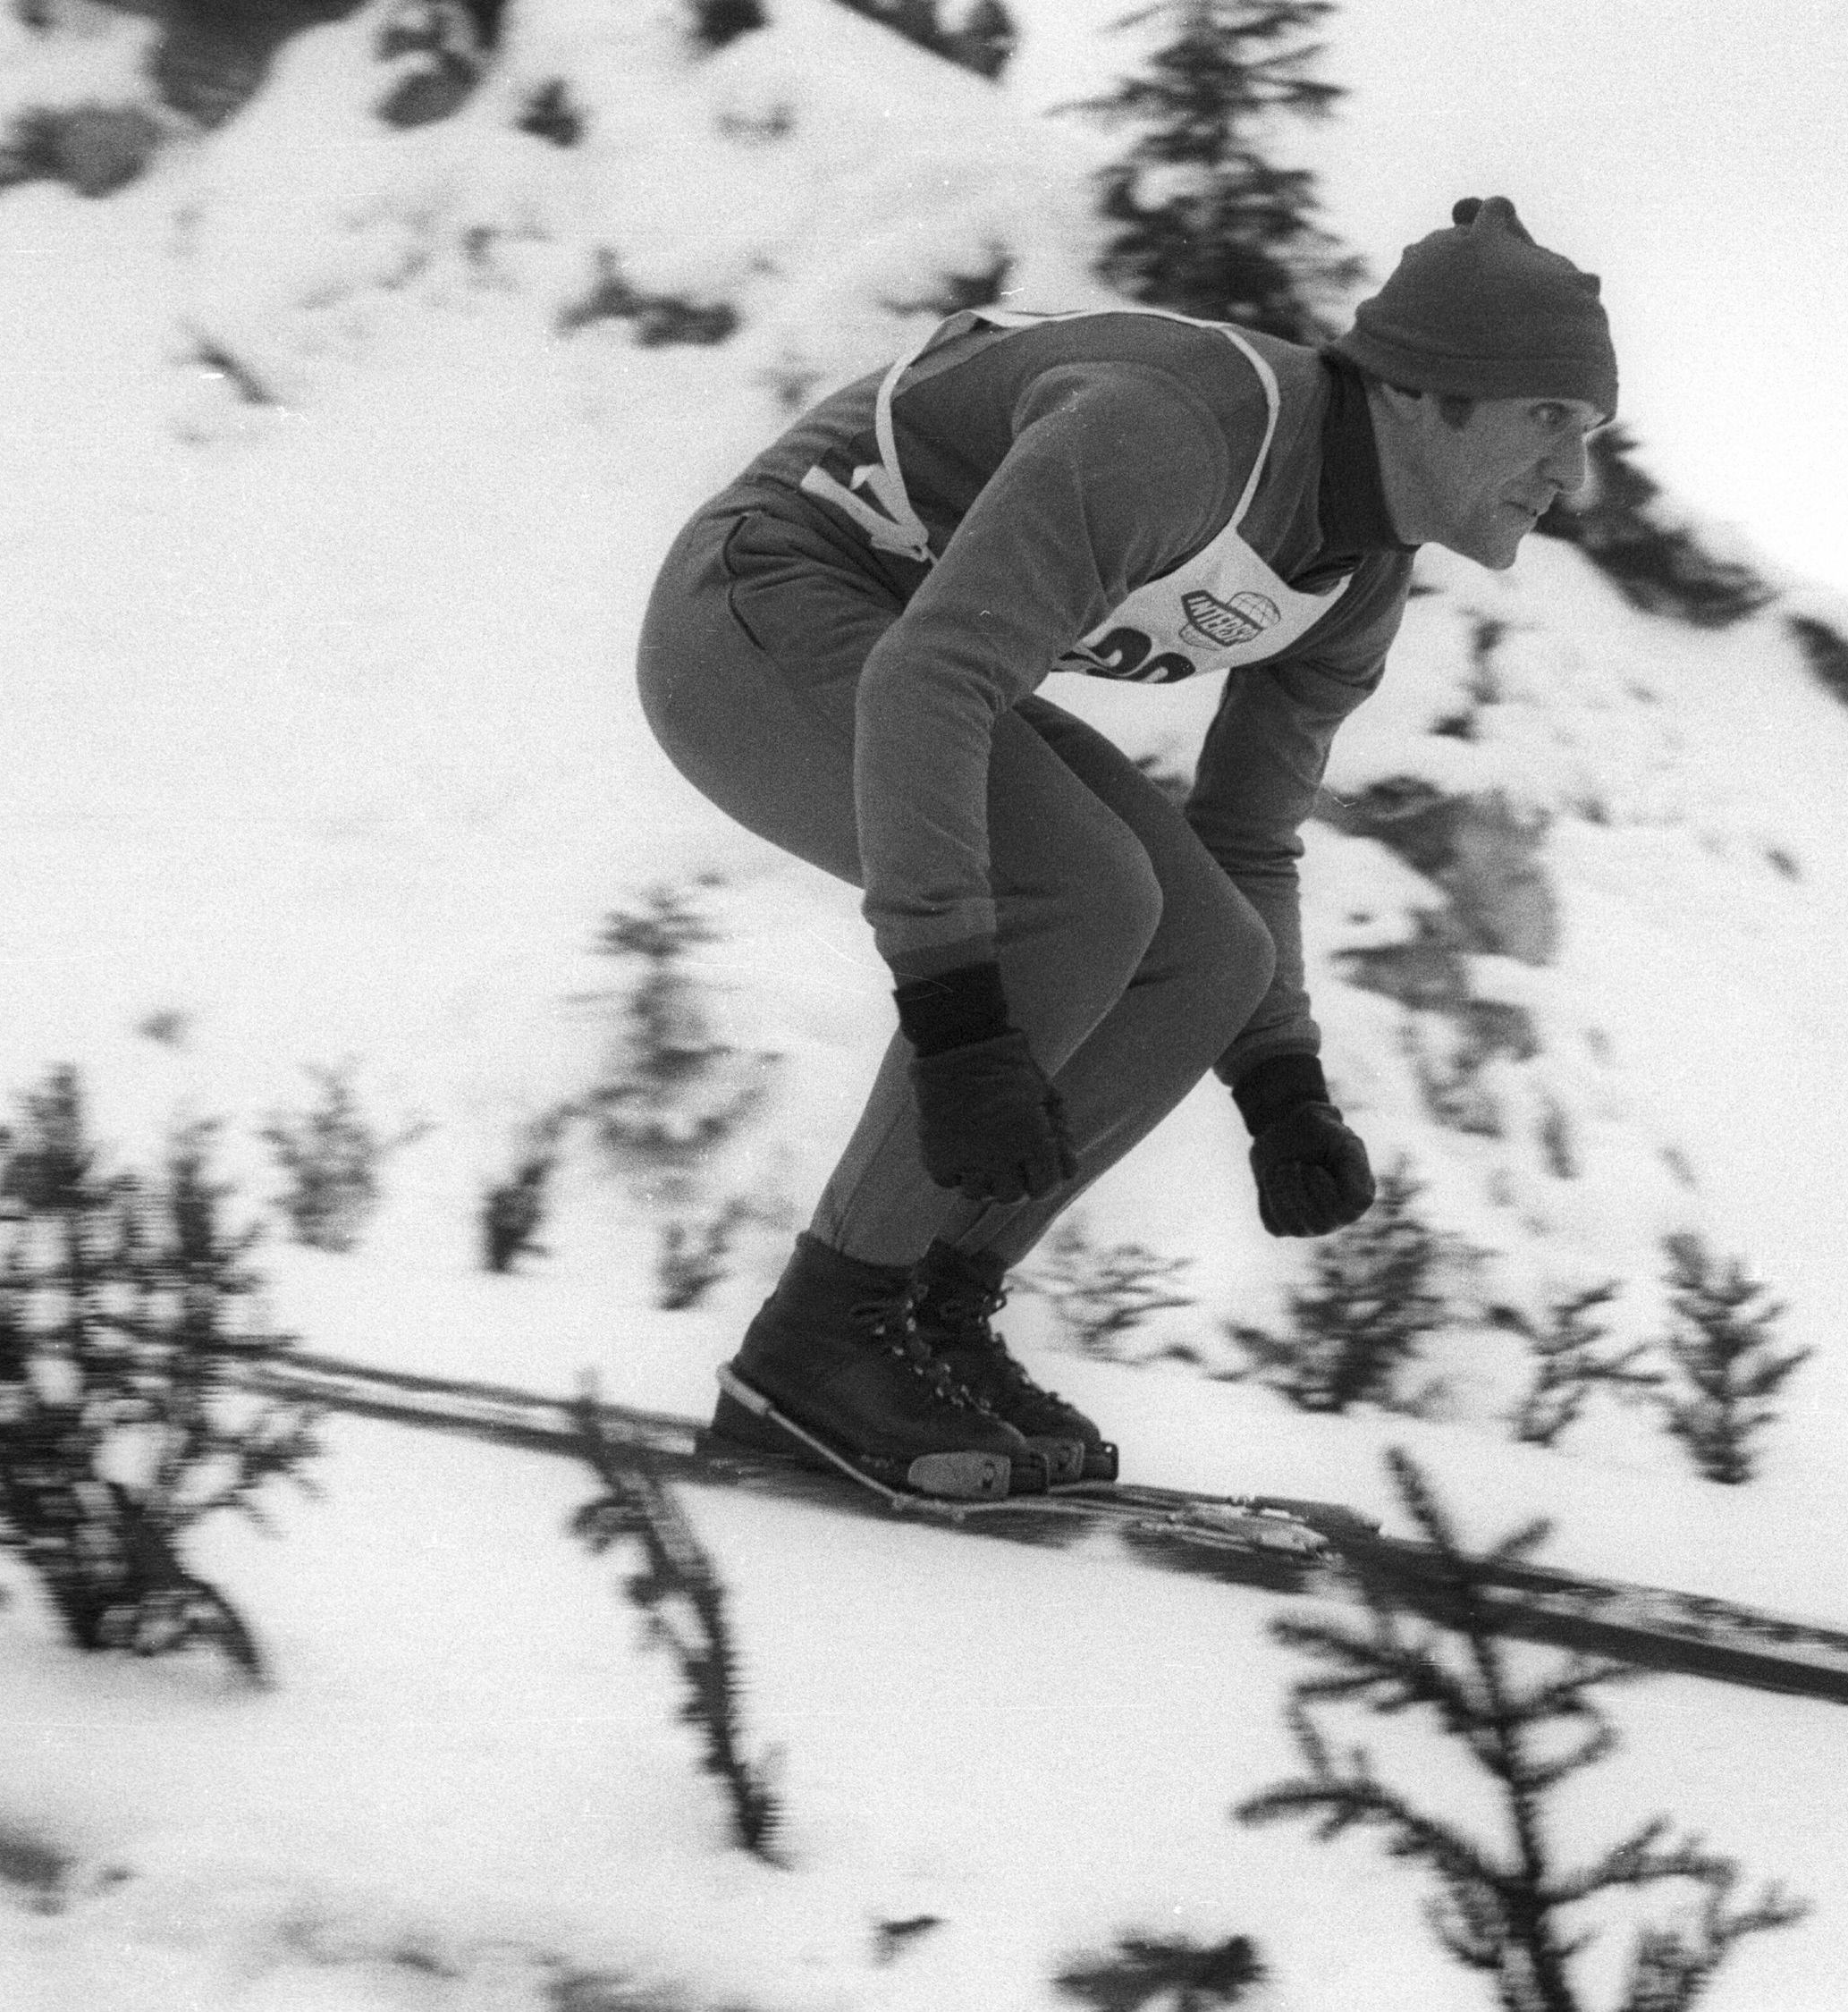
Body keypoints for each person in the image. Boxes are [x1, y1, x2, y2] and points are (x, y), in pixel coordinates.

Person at [634, 197, 1616, 1501]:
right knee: (1084, 892)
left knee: (1209, 947)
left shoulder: (1360, 569)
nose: (1576, 475)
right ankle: (823, 1333)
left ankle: (928, 1312)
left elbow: (1250, 837)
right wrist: (956, 1017)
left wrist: (1282, 1081)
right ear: (1429, 394)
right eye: (1550, 418)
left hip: (905, 645)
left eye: (1591, 435)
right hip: (753, 607)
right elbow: (934, 678)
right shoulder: (1181, 432)